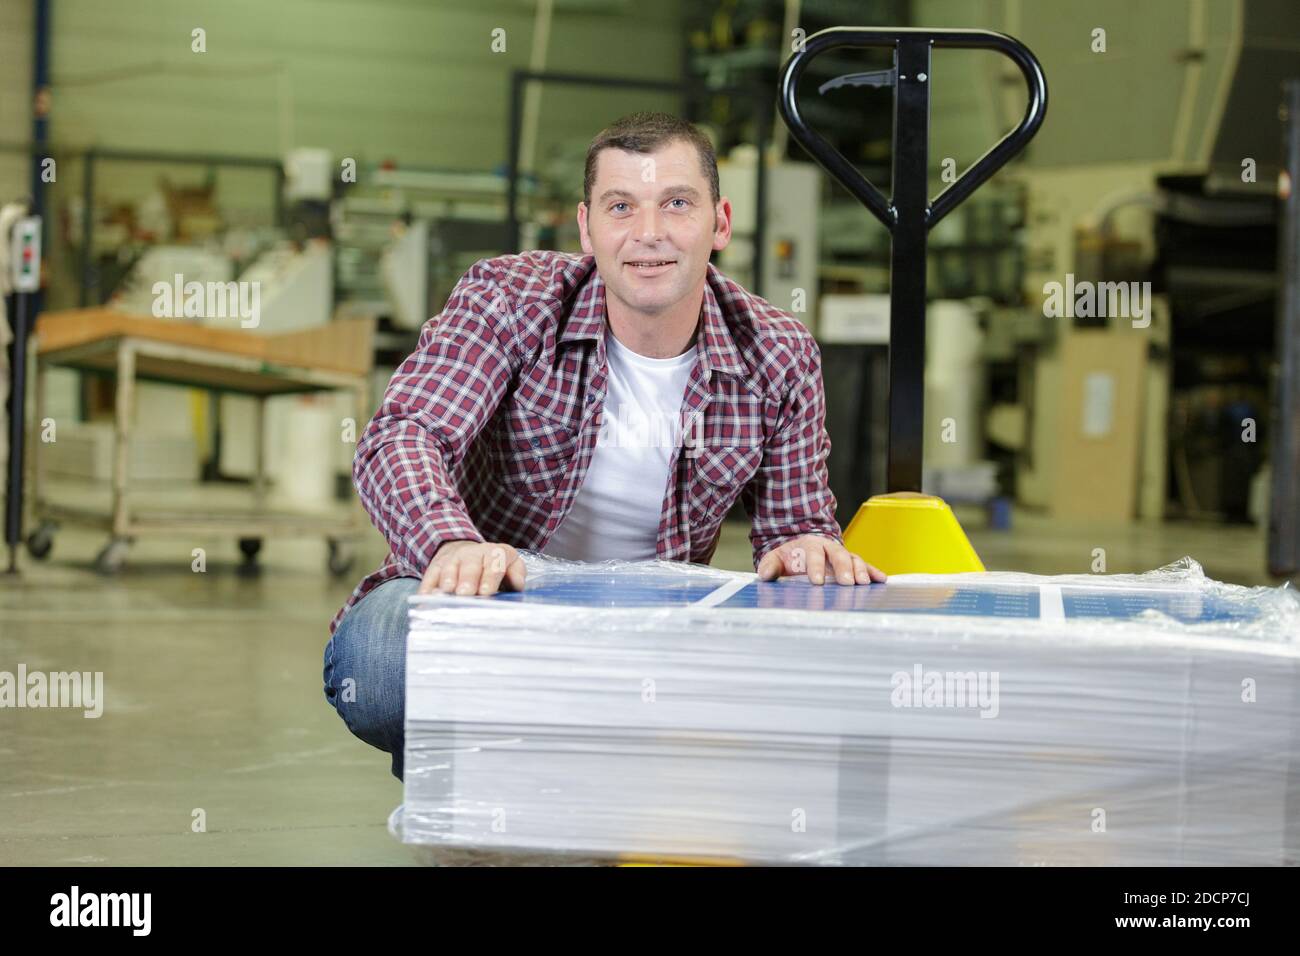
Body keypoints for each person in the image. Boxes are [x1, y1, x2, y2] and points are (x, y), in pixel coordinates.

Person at [323, 112, 884, 779]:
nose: (649, 235)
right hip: (499, 615)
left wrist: (807, 552)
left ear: (721, 223)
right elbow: (405, 433)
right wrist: (453, 544)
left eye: (677, 204)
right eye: (622, 207)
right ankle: (539, 755)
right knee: (384, 660)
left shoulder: (779, 352)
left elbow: (793, 529)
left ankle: (550, 749)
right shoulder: (508, 300)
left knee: (837, 661)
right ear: (587, 228)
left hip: (652, 628)